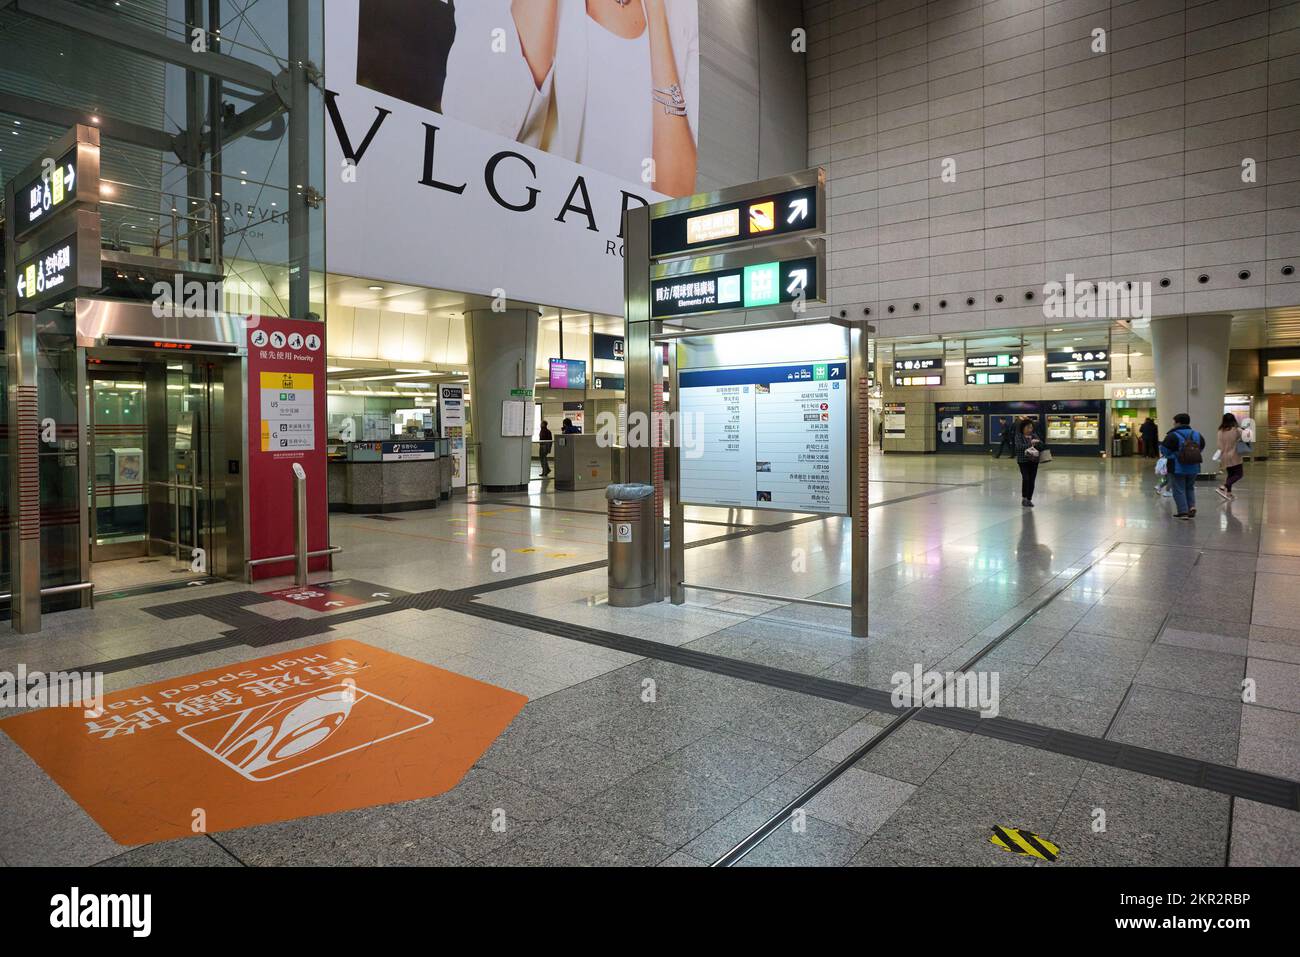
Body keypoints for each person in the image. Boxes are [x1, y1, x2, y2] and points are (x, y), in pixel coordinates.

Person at [442, 0, 700, 196]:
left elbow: (674, 199)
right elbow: (481, 133)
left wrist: (657, 13)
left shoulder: (685, 10)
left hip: (626, 257)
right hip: (526, 246)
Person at [1161, 412, 1206, 519]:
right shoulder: (1197, 434)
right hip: (1194, 466)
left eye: (1174, 422)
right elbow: (1201, 448)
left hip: (1177, 467)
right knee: (1190, 488)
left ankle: (1183, 512)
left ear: (1178, 423)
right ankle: (1191, 507)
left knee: (1179, 489)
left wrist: (1174, 455)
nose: (1173, 424)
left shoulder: (1173, 435)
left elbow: (1164, 450)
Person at [1014, 419, 1043, 507]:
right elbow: (1019, 447)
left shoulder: (1034, 435)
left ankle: (1029, 499)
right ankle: (1024, 498)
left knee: (1032, 480)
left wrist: (1038, 443)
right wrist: (1030, 443)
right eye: (1028, 427)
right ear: (1023, 428)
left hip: (1033, 461)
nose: (1030, 429)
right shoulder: (1019, 436)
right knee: (1026, 479)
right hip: (1023, 461)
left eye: (1031, 427)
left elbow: (1041, 444)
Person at [1215, 413, 1244, 501]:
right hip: (1234, 455)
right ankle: (1224, 486)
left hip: (1224, 455)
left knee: (1231, 474)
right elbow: (1247, 438)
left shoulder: (1220, 431)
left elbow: (1219, 444)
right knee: (1239, 474)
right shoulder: (1236, 430)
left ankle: (1229, 493)